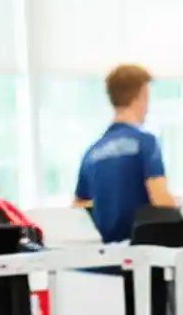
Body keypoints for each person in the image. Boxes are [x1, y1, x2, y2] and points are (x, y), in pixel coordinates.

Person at [74, 64, 175, 243]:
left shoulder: (92, 152)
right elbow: (160, 199)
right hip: (140, 255)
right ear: (142, 95)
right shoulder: (145, 142)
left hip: (105, 259)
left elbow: (78, 209)